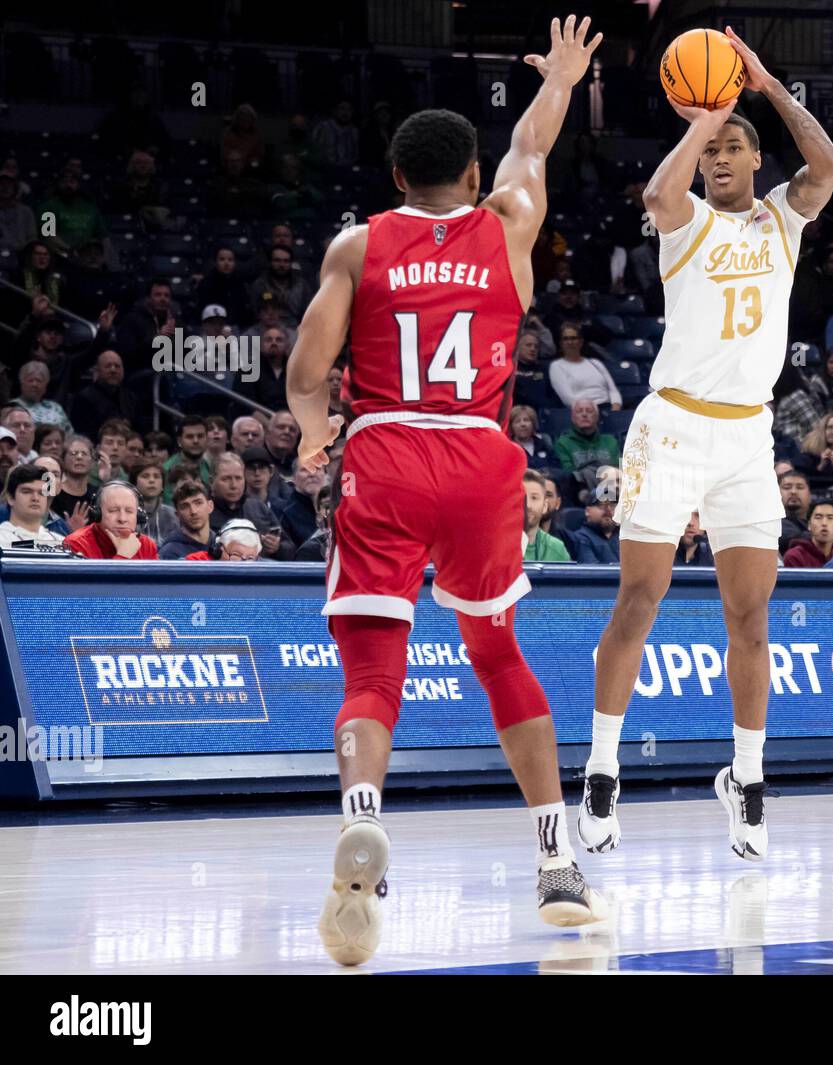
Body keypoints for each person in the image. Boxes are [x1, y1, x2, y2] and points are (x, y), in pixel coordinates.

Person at [284, 16, 610, 963]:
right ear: (471, 179)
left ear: (396, 180)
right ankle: (556, 863)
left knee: (373, 672)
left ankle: (362, 826)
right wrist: (561, 77)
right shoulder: (508, 220)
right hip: (477, 456)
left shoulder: (357, 245)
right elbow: (534, 143)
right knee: (499, 655)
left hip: (385, 453)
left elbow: (307, 378)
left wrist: (316, 440)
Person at [579, 25, 833, 862]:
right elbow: (655, 196)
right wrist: (699, 119)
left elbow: (828, 168)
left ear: (754, 159)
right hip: (673, 425)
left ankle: (749, 781)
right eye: (711, 150)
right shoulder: (684, 216)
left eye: (734, 147)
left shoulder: (782, 221)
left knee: (750, 613)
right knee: (640, 599)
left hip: (746, 437)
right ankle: (602, 769)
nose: (721, 158)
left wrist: (763, 86)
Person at [62, 481, 159, 559]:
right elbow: (94, 584)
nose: (122, 519)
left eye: (129, 511)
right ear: (98, 514)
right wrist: (123, 556)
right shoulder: (76, 544)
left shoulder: (147, 546)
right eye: (113, 511)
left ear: (138, 516)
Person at [547, 323, 621, 409]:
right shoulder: (557, 366)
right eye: (565, 339)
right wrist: (591, 410)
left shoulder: (596, 363)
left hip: (608, 409)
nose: (570, 342)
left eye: (573, 338)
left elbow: (613, 390)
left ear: (581, 342)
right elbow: (568, 399)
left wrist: (616, 407)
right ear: (561, 343)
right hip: (584, 412)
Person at [0, 464, 65, 550]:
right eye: (27, 492)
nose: (35, 498)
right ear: (11, 498)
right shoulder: (2, 538)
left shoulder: (61, 542)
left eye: (41, 493)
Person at [158, 479, 218, 559]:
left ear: (210, 506)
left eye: (198, 503)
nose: (193, 511)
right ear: (177, 514)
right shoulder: (169, 553)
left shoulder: (222, 544)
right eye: (185, 506)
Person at [523, 469, 571, 561]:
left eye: (534, 498)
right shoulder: (495, 545)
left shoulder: (557, 548)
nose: (528, 505)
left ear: (545, 505)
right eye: (523, 497)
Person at [782, 498, 833, 567]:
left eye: (830, 518)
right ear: (809, 525)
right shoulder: (794, 556)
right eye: (818, 517)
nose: (824, 523)